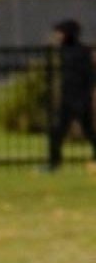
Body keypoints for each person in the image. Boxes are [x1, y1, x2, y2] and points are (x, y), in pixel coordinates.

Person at [46, 18, 96, 172]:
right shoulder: (69, 51)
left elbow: (89, 75)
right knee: (59, 131)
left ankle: (55, 163)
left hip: (78, 98)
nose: (57, 36)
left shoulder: (78, 52)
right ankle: (54, 163)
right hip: (72, 97)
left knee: (83, 131)